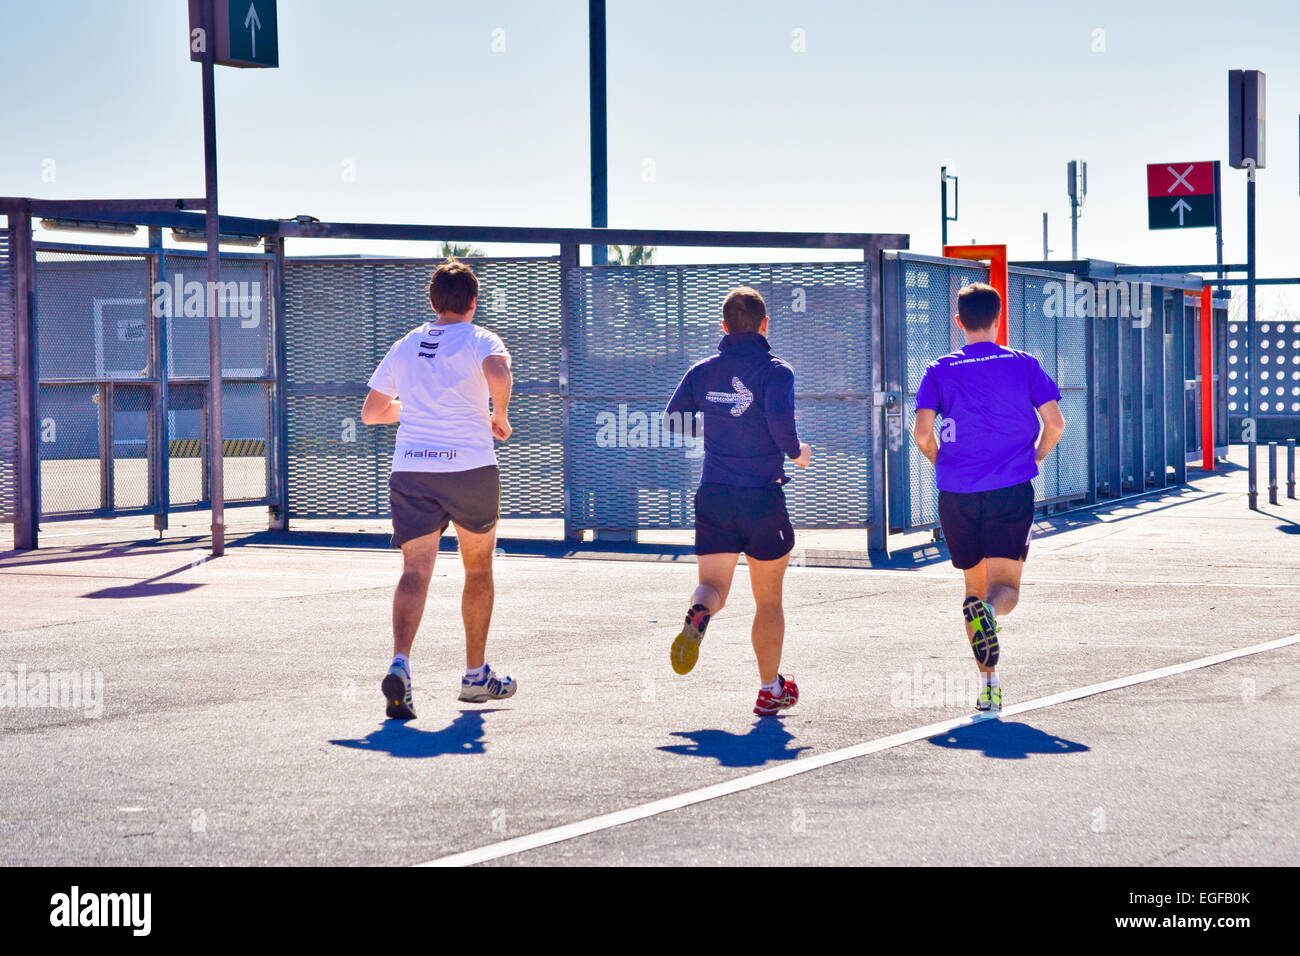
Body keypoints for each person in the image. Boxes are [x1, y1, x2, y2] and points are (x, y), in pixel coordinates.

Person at [360, 258, 517, 720]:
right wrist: (500, 416)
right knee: (478, 570)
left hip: (412, 471)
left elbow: (372, 412)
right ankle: (474, 677)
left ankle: (401, 666)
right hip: (469, 469)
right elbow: (500, 375)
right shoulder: (481, 337)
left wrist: (415, 411)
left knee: (416, 571)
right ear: (472, 302)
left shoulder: (407, 343)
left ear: (432, 302)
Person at [912, 282, 1066, 716]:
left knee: (972, 589)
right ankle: (987, 614)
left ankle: (988, 684)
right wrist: (1032, 457)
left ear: (958, 321)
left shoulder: (939, 369)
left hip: (957, 494)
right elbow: (1055, 424)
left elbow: (923, 434)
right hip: (1009, 490)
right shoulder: (1025, 364)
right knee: (1005, 592)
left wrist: (941, 462)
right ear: (999, 320)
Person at [663, 286, 812, 716]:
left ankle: (698, 612)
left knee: (713, 588)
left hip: (715, 496)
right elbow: (782, 423)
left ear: (724, 327)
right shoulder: (776, 370)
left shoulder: (702, 370)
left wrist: (713, 430)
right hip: (761, 498)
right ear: (765, 324)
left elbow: (672, 420)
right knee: (768, 601)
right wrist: (797, 452)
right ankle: (769, 689)